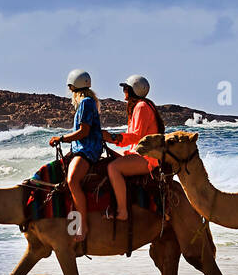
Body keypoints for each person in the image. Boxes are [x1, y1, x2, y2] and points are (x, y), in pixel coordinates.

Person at [48, 69, 103, 245]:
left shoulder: (86, 103)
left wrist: (62, 138)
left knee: (72, 181)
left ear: (72, 87)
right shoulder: (87, 102)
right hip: (82, 148)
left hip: (87, 150)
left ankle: (82, 226)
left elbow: (84, 131)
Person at [105, 74, 164, 222]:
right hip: (141, 154)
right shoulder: (142, 105)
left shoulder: (141, 107)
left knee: (113, 168)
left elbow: (136, 136)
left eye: (126, 88)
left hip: (147, 158)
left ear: (133, 90)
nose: (123, 90)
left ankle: (122, 212)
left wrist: (112, 138)